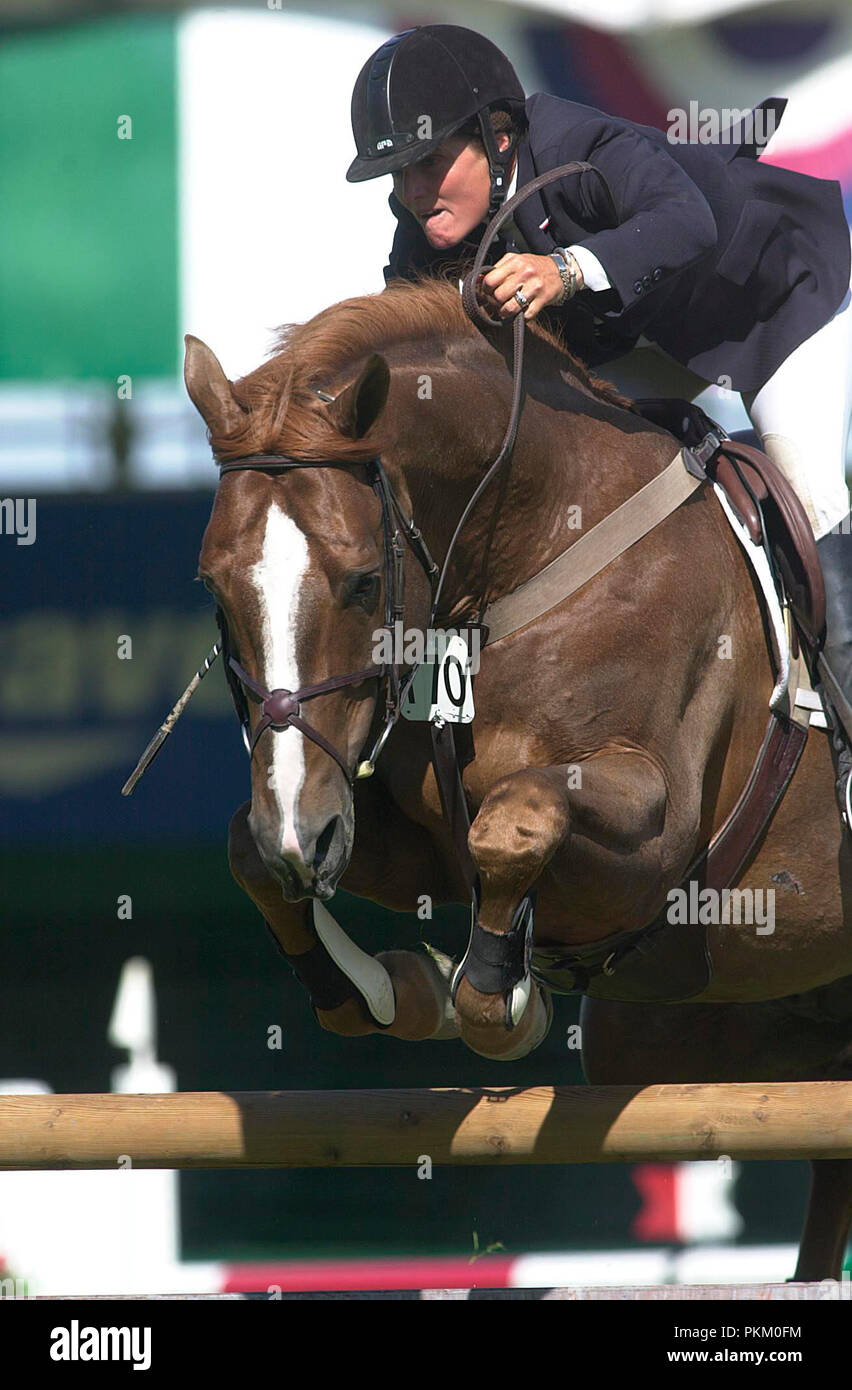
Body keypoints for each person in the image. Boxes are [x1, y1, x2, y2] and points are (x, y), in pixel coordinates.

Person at [346, 23, 852, 817]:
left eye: (429, 162)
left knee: (814, 502)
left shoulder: (574, 143)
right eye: (397, 174)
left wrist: (565, 268)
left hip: (770, 302)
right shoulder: (427, 231)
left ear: (499, 133)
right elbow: (399, 337)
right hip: (642, 339)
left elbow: (687, 222)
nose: (414, 190)